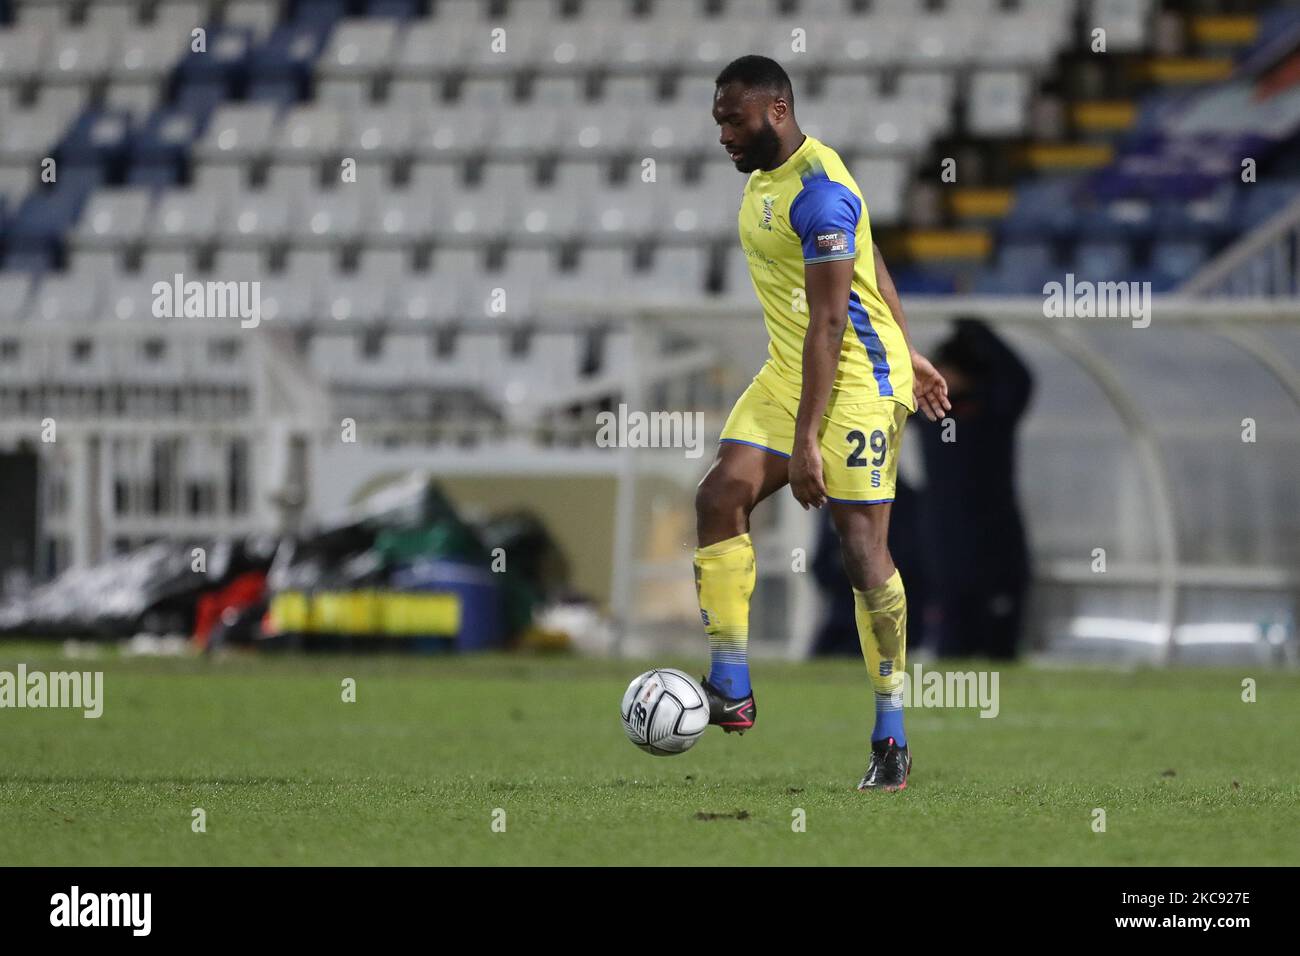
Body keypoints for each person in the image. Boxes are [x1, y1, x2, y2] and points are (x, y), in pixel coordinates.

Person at [693, 55, 950, 792]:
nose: (723, 136)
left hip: (858, 382)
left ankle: (891, 734)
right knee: (719, 498)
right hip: (793, 370)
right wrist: (915, 344)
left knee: (861, 548)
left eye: (732, 120)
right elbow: (877, 267)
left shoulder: (821, 195)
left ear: (775, 111)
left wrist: (810, 439)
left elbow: (833, 321)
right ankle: (731, 688)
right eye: (717, 121)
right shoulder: (768, 179)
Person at [917, 318, 1034, 660]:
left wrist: (982, 335)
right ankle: (954, 708)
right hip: (944, 546)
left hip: (996, 543)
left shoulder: (994, 410)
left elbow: (1020, 381)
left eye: (946, 370)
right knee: (952, 647)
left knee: (1000, 646)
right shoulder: (928, 413)